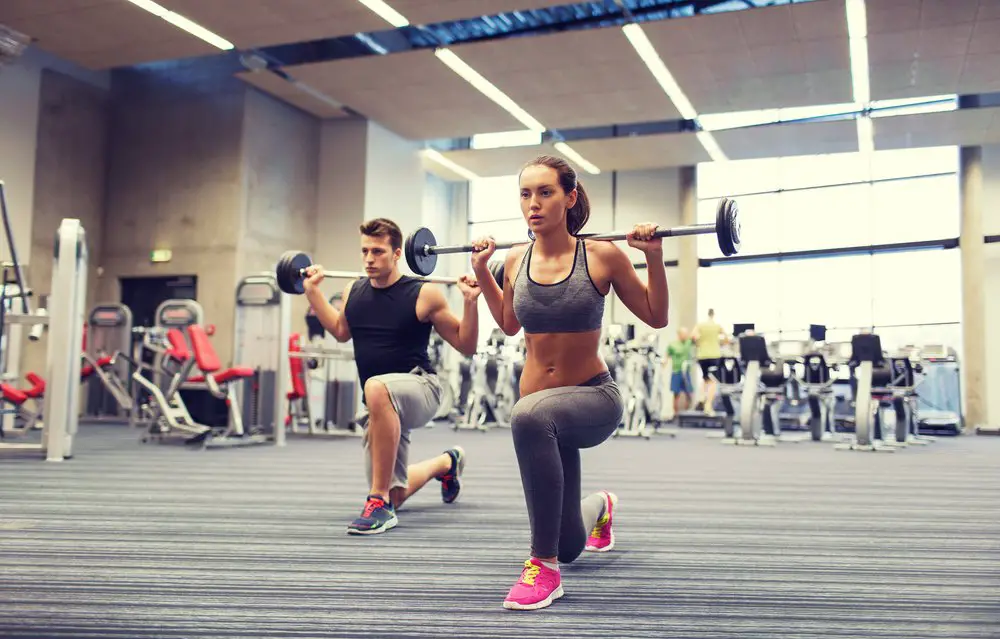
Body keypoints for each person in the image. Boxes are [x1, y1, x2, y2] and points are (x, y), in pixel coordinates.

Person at [470, 155, 668, 611]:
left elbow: (656, 316)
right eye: (525, 194)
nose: (533, 204)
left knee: (528, 416)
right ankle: (600, 505)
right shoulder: (515, 260)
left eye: (545, 192)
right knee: (572, 543)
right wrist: (483, 271)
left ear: (569, 197)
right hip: (541, 412)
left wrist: (653, 258)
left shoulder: (601, 255)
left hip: (592, 399)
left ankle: (543, 567)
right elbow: (508, 324)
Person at [303, 218, 481, 535]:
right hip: (380, 403)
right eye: (365, 251)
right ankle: (447, 463)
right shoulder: (353, 291)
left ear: (398, 253)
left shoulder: (425, 293)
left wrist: (470, 302)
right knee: (395, 492)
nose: (370, 259)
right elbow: (342, 332)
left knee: (376, 387)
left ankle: (377, 502)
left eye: (378, 251)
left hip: (422, 389)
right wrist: (312, 292)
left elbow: (466, 345)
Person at [692, 308, 727, 415]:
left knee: (705, 378)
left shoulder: (700, 325)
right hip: (714, 355)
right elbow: (726, 338)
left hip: (702, 355)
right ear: (713, 315)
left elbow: (693, 336)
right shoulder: (717, 326)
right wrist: (719, 343)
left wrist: (699, 343)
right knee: (713, 381)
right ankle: (708, 406)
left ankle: (702, 396)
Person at [666, 327, 694, 418]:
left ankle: (687, 413)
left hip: (686, 372)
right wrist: (664, 362)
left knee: (689, 393)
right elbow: (667, 354)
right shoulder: (673, 345)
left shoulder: (688, 342)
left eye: (686, 334)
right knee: (676, 394)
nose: (685, 335)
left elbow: (695, 335)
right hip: (676, 372)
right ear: (679, 334)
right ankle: (675, 414)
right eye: (684, 334)